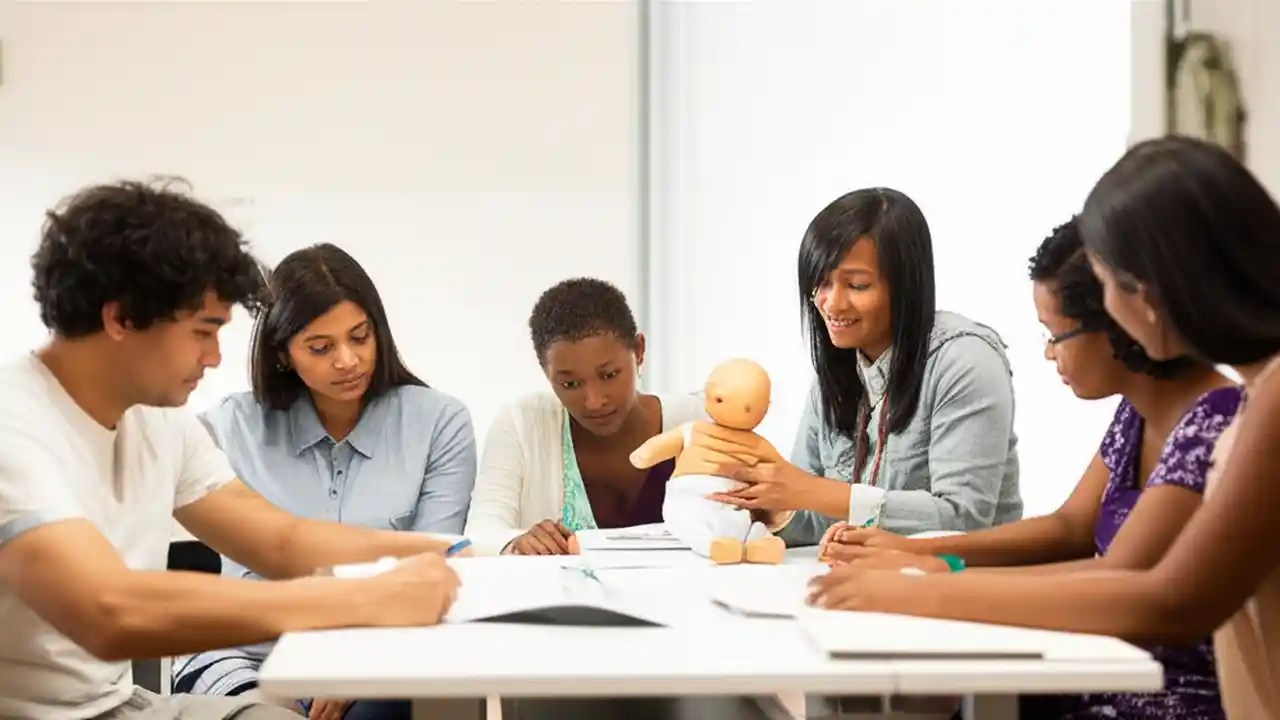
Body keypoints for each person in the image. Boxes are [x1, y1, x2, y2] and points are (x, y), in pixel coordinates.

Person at [808, 137, 1280, 719]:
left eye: (1107, 285)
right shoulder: (1254, 391)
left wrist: (925, 587)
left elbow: (1171, 598)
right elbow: (1071, 530)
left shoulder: (1256, 400)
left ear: (1151, 291)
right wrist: (929, 562)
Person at [0, 180, 460, 720]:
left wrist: (454, 554)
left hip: (122, 705)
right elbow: (109, 612)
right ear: (121, 318)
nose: (216, 357)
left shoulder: (157, 421)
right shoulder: (15, 426)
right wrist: (363, 601)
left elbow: (282, 542)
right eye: (203, 331)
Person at [173, 244, 476, 718]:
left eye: (360, 337)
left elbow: (437, 560)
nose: (348, 360)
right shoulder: (228, 428)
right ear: (282, 354)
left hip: (386, 644)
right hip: (250, 651)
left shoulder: (439, 423)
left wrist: (355, 662)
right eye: (321, 347)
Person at [703, 187, 1022, 543]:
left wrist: (810, 491)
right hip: (874, 581)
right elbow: (815, 516)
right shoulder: (837, 372)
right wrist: (762, 505)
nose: (832, 304)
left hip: (964, 581)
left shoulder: (965, 362)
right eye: (821, 283)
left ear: (905, 285)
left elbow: (963, 518)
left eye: (857, 285)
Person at [464, 277, 704, 555]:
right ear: (546, 373)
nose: (594, 401)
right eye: (570, 384)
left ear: (638, 351)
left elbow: (748, 530)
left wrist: (767, 509)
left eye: (609, 375)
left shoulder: (697, 422)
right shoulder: (521, 422)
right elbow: (478, 537)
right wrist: (515, 542)